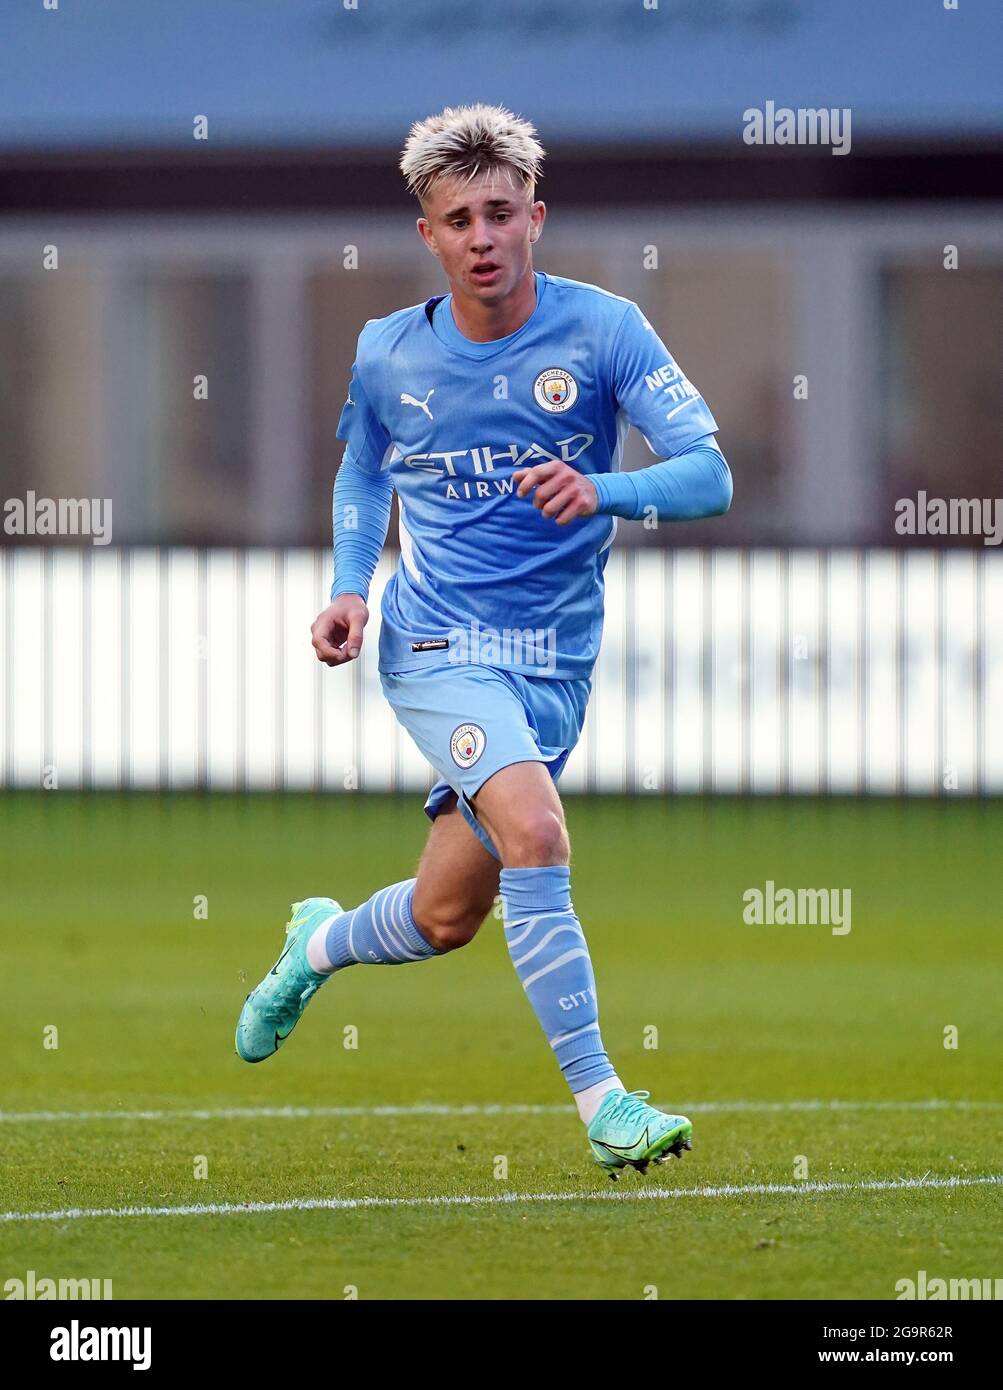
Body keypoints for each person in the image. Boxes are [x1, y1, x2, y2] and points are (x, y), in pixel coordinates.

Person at [235, 103, 732, 1178]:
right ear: (428, 236)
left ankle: (313, 943)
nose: (482, 236)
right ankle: (604, 1102)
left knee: (446, 913)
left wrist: (601, 485)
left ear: (535, 217)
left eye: (500, 212)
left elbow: (708, 472)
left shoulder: (604, 331)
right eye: (457, 218)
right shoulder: (387, 354)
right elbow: (365, 469)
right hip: (433, 646)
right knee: (536, 830)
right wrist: (348, 590)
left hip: (556, 664)